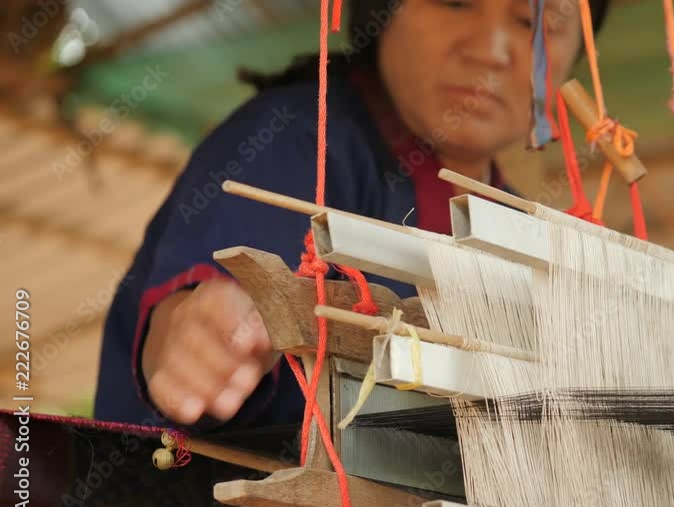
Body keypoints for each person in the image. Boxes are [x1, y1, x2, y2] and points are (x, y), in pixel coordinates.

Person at [94, 0, 609, 445]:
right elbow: (198, 315)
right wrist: (198, 336)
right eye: (454, 2)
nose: (492, 48)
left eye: (532, 21)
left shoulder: (529, 240)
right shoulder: (296, 142)